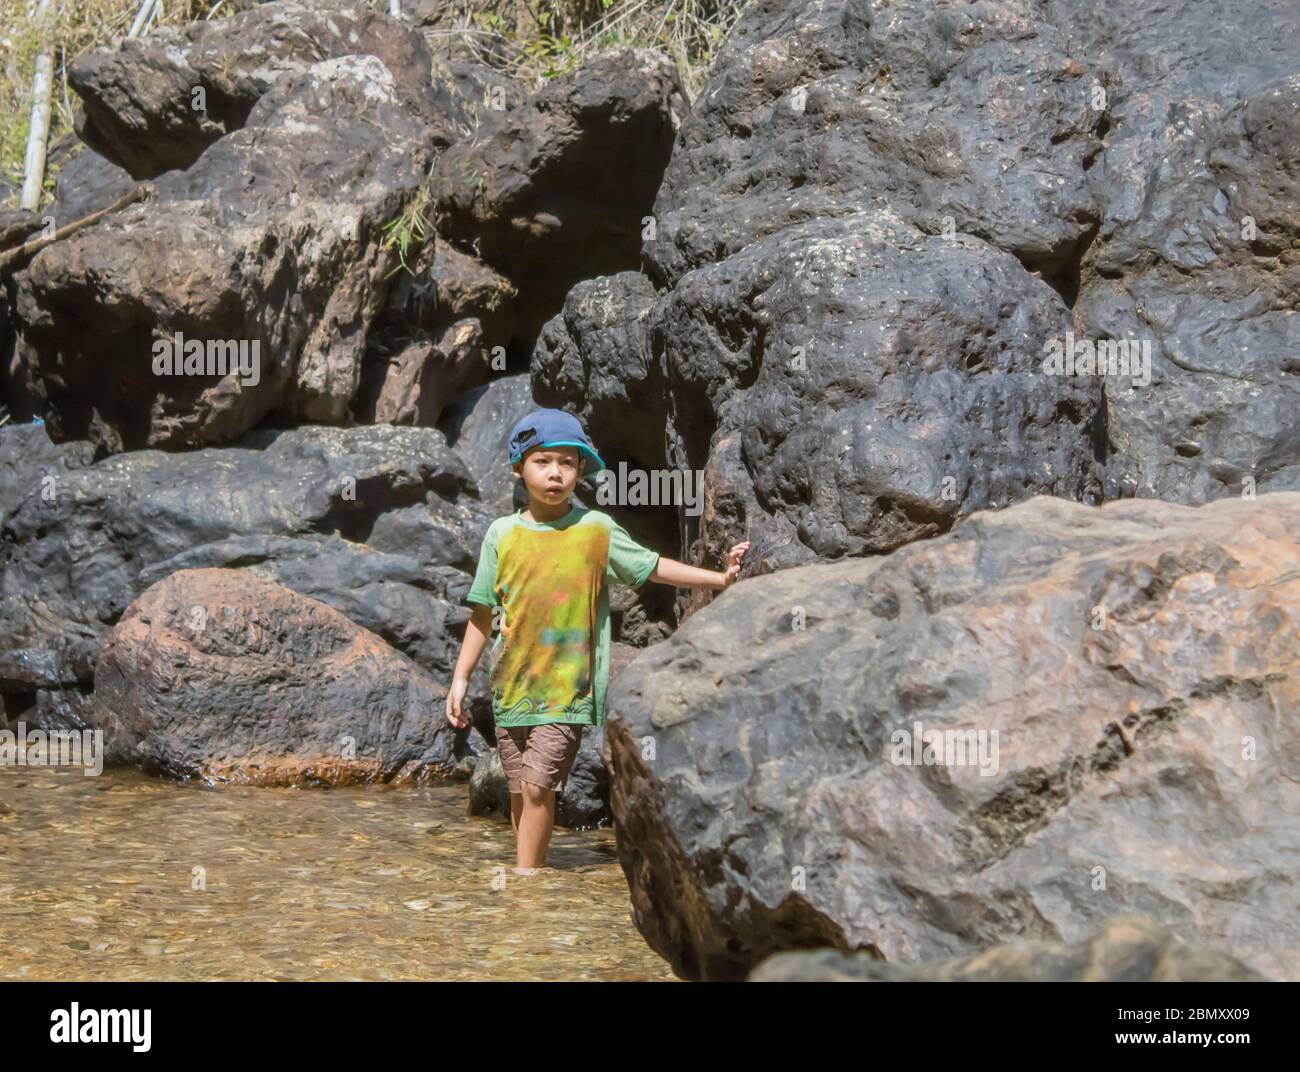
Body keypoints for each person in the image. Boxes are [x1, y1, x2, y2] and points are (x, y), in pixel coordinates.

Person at [445, 408, 749, 872]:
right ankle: (534, 869)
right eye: (543, 461)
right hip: (510, 686)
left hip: (567, 688)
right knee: (518, 788)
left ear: (580, 472)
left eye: (568, 463)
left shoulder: (595, 530)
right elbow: (483, 613)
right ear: (518, 468)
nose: (555, 473)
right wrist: (460, 679)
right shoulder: (500, 534)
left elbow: (652, 566)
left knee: (538, 787)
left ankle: (525, 885)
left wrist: (720, 580)